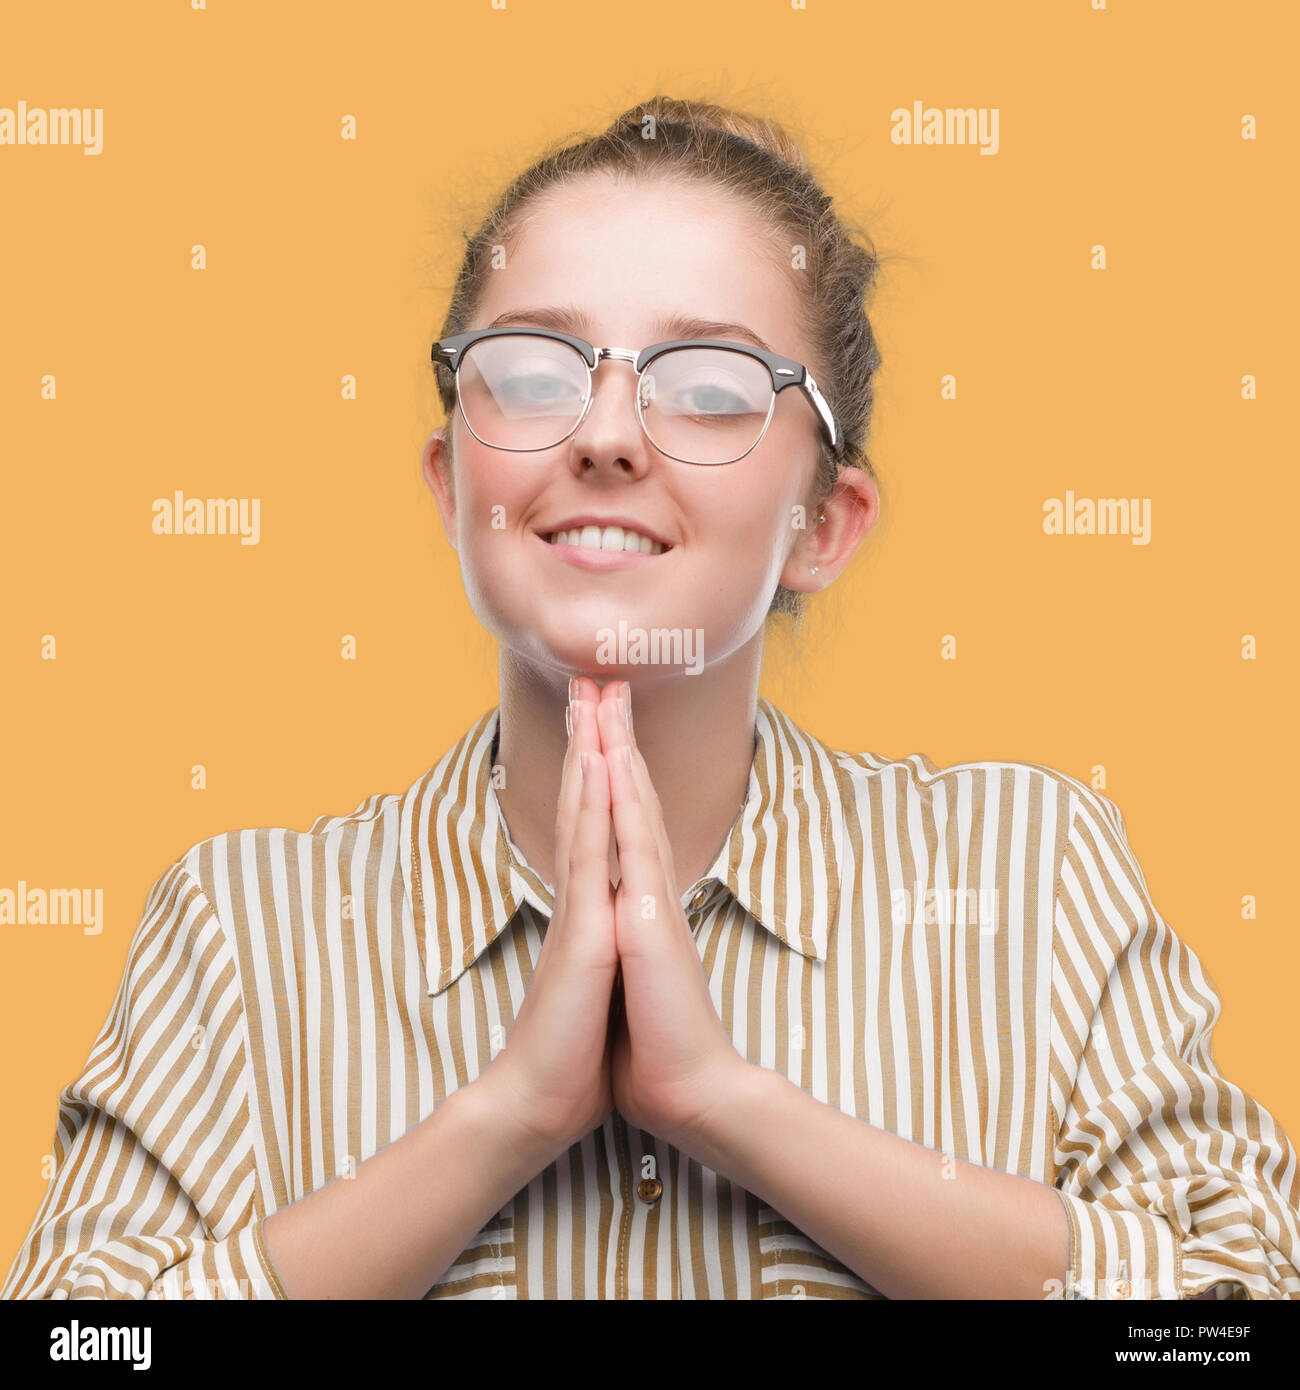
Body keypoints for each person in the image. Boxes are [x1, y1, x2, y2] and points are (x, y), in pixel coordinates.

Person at [5, 95, 1298, 1301]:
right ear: (453, 481)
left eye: (715, 389)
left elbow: (1231, 1304)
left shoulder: (1030, 877)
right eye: (532, 368)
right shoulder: (241, 932)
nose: (607, 433)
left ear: (825, 523)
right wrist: (503, 1117)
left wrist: (728, 1101)